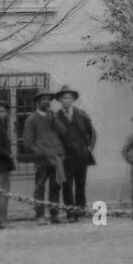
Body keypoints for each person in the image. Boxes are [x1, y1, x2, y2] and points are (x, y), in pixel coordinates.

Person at [22, 89, 67, 224]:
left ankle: (54, 215)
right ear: (37, 102)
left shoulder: (52, 116)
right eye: (43, 99)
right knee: (40, 188)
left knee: (55, 187)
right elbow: (27, 142)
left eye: (49, 99)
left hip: (56, 156)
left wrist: (54, 120)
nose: (47, 101)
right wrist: (40, 153)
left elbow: (63, 131)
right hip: (42, 158)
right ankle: (40, 216)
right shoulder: (32, 119)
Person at [55, 85, 96, 222]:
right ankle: (70, 214)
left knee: (80, 184)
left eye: (69, 98)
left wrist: (89, 147)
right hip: (66, 157)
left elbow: (92, 132)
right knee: (67, 186)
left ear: (73, 99)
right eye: (64, 98)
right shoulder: (56, 117)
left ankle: (80, 210)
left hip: (81, 155)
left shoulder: (81, 114)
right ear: (60, 100)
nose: (67, 100)